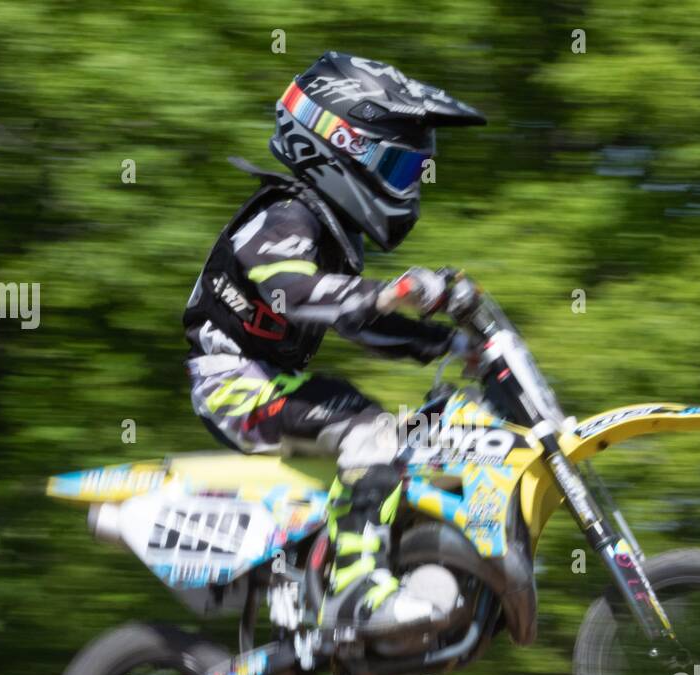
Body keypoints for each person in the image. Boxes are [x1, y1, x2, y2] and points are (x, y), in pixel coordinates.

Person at [181, 52, 485, 637]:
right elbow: (296, 294)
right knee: (368, 425)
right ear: (339, 144)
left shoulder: (331, 234)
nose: (406, 188)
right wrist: (393, 291)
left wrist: (448, 347)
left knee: (425, 430)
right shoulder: (285, 216)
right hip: (235, 384)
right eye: (397, 169)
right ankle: (354, 588)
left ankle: (352, 562)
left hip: (268, 383)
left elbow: (357, 322)